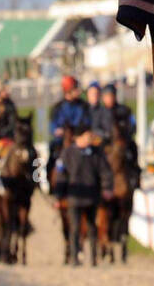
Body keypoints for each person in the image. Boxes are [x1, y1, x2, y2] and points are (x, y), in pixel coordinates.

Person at [52, 126, 112, 267]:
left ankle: (93, 258)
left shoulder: (96, 153)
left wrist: (107, 188)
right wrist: (59, 197)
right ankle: (74, 257)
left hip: (92, 197)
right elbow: (61, 176)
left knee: (92, 228)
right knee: (75, 228)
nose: (89, 139)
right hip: (74, 197)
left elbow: (105, 172)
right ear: (77, 138)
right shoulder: (67, 153)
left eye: (90, 136)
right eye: (86, 136)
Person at [47, 75, 92, 181]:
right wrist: (57, 131)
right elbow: (53, 126)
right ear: (68, 91)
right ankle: (50, 184)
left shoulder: (84, 106)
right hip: (62, 143)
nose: (79, 91)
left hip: (80, 141)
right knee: (52, 159)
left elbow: (87, 123)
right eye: (76, 89)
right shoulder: (58, 108)